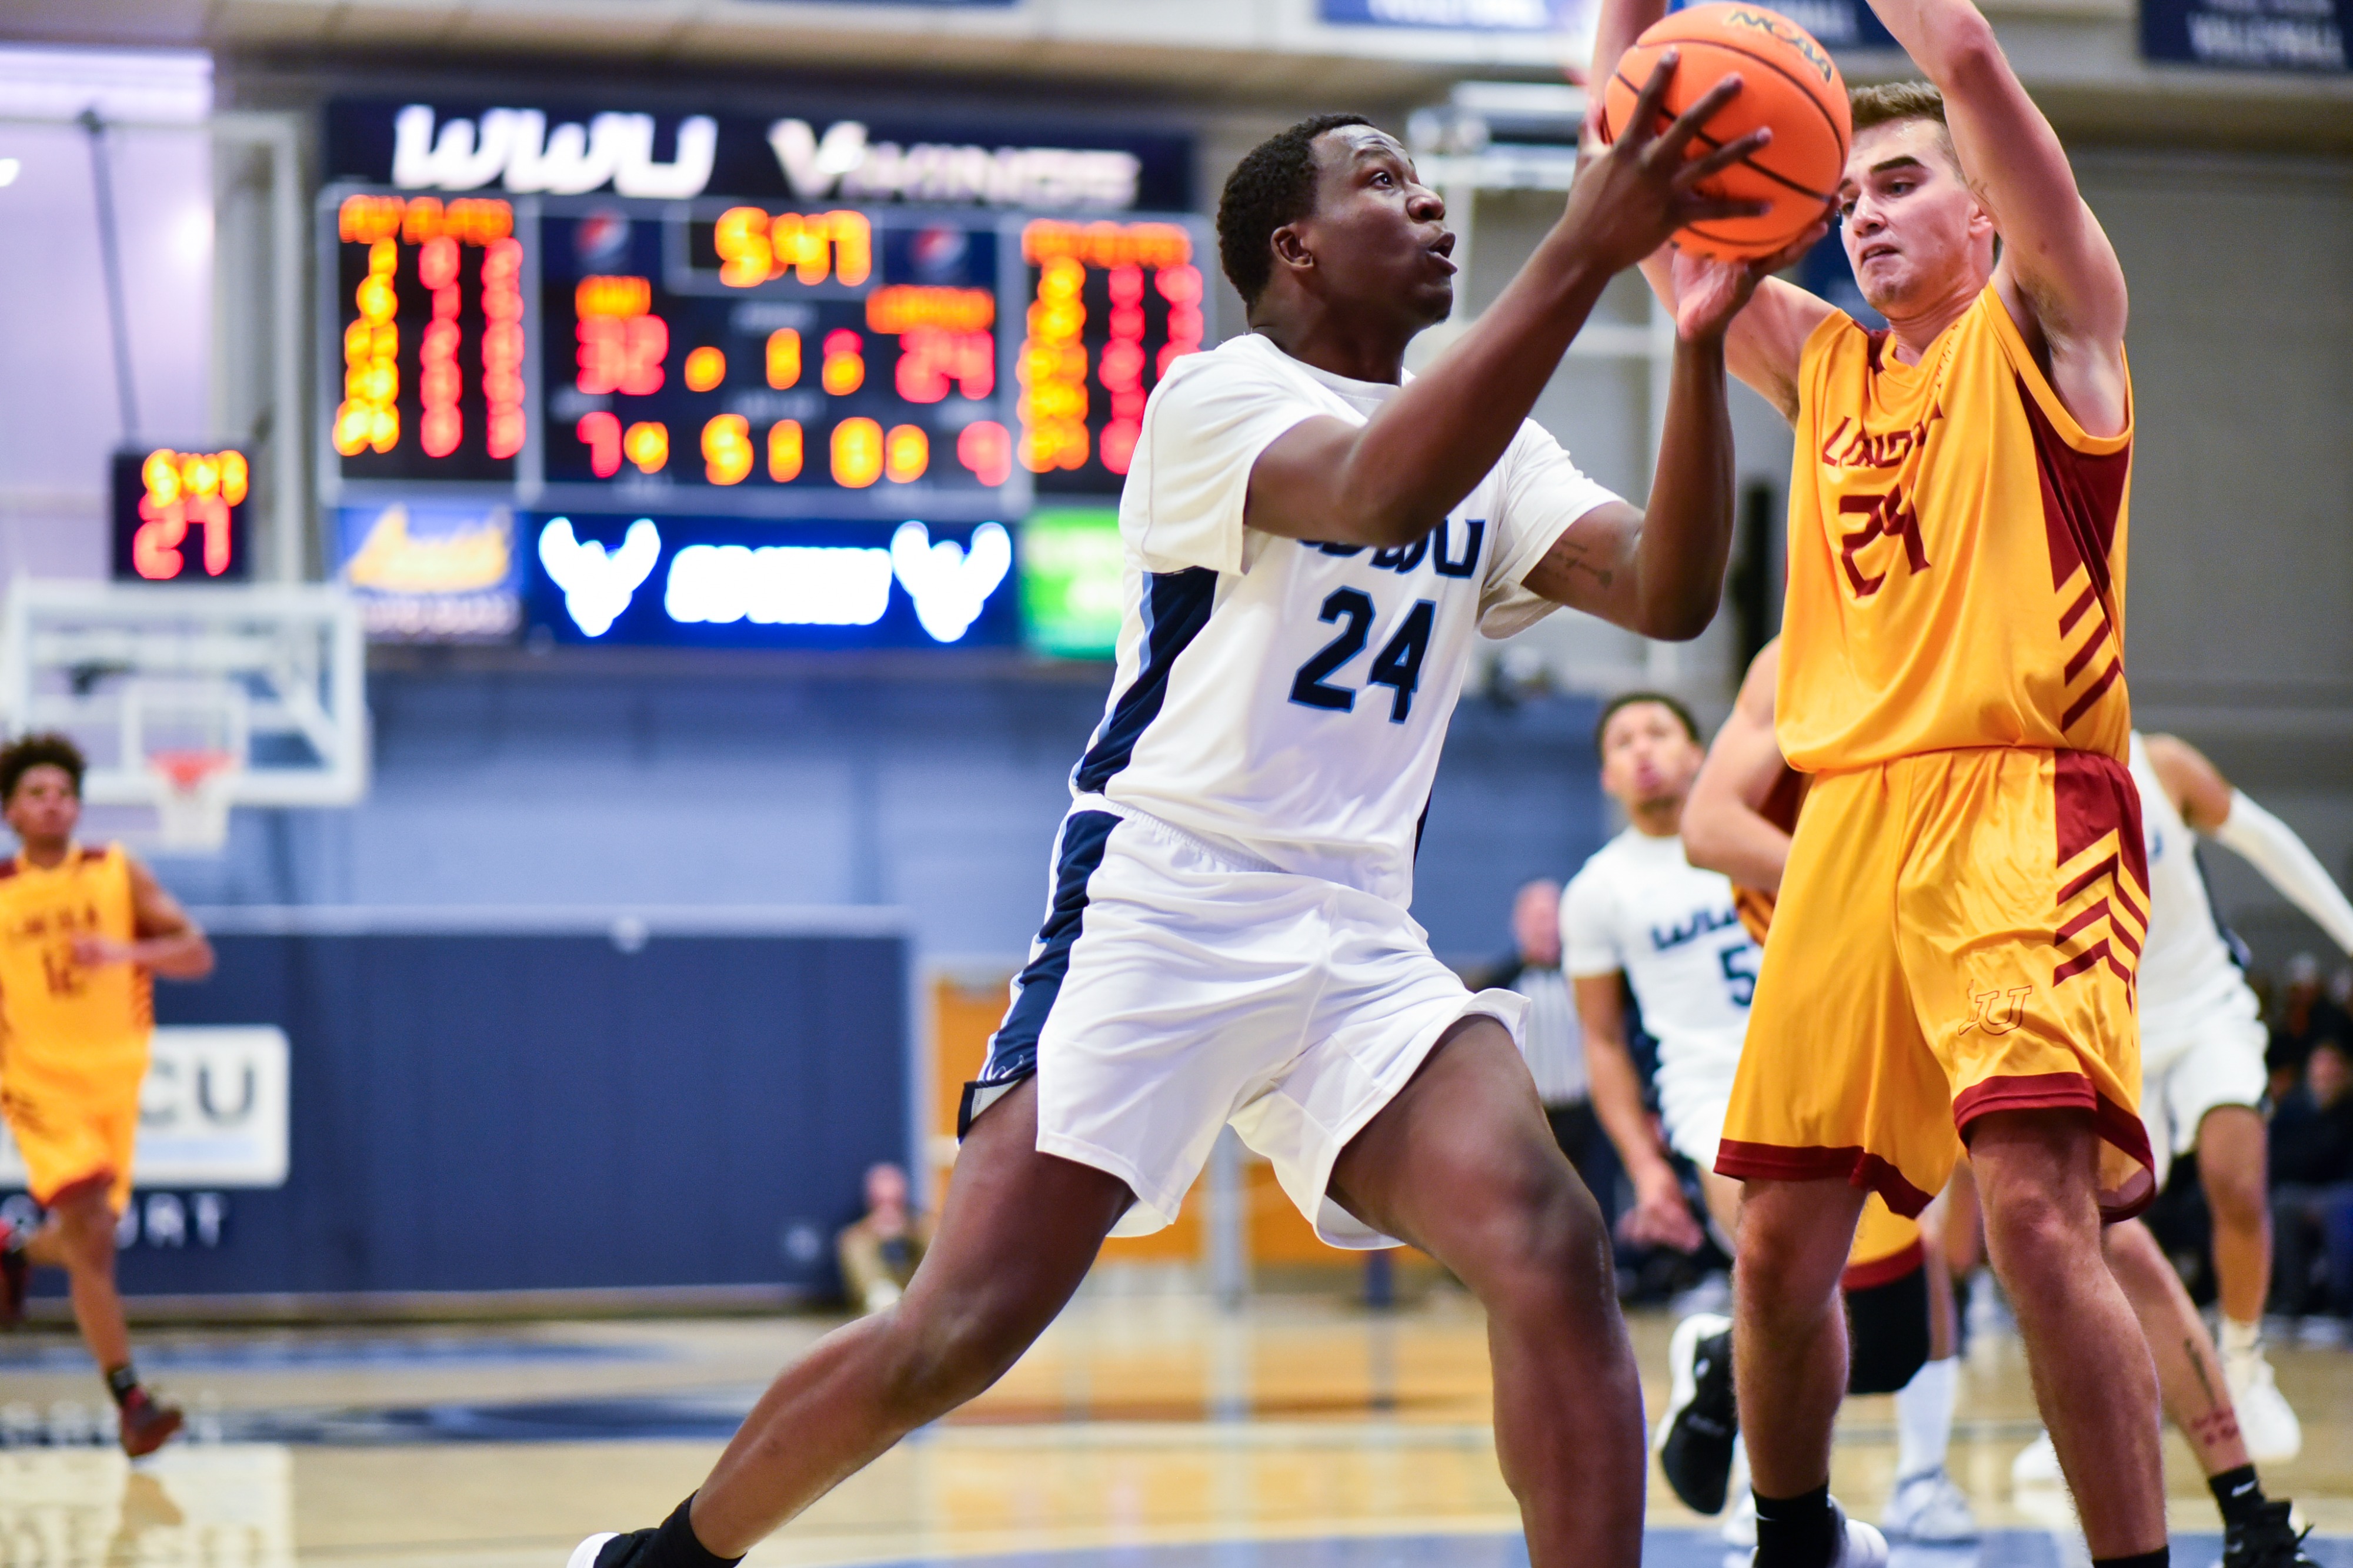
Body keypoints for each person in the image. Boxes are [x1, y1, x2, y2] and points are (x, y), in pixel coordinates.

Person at [569, 81, 1824, 1568]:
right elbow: (1370, 491)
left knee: (1549, 1245)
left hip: (1356, 930)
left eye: (1425, 185)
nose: (1425, 204)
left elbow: (1668, 595)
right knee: (959, 1332)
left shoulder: (1501, 438)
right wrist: (1577, 250)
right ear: (1291, 248)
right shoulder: (1213, 397)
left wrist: (1687, 351)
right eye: (1385, 183)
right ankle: (663, 1560)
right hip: (1163, 900)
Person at [1593, 0, 2175, 1554]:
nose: (1865, 215)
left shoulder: (2056, 327)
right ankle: (1798, 1535)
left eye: (1900, 183)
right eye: (1846, 195)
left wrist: (1941, 73)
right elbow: (1626, 137)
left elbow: (1971, 55)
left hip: (2020, 802)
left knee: (2040, 1216)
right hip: (1849, 826)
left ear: (1986, 206)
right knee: (1778, 1249)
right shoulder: (1825, 367)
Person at [1688, 643, 2317, 1568]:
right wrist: (1861, 887)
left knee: (2083, 1230)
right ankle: (1731, 1387)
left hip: (1986, 932)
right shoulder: (1808, 650)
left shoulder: (2002, 618)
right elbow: (1710, 824)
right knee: (1848, 1308)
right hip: (1853, 969)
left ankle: (2245, 1510)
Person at [1576, 686, 1973, 1546]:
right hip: (1710, 1096)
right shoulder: (1598, 890)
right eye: (1622, 739)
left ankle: (1921, 1474)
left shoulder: (1768, 824)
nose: (1642, 748)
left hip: (1823, 1056)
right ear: (1606, 774)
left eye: (1660, 729)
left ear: (1699, 750)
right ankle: (1777, 1497)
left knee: (1917, 1266)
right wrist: (1646, 1167)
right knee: (1788, 1272)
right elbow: (1603, 1043)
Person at [0, 733, 214, 1457]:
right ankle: (134, 1403)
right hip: (35, 1084)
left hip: (114, 1086)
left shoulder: (119, 874)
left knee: (92, 1243)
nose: (53, 801)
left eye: (63, 791)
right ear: (12, 813)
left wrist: (126, 953)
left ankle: (16, 1245)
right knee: (91, 1219)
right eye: (37, 792)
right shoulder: (2, 894)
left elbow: (195, 951)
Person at [1475, 879, 1617, 1225]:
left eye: (1553, 917)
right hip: (1532, 1119)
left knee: (1596, 1203)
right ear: (1518, 924)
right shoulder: (1498, 983)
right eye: (1536, 918)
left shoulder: (1591, 979)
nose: (1546, 927)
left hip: (1587, 1114)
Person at [2268, 1038, 2353, 1329]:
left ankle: (2342, 1302)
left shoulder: (2347, 1112)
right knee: (2283, 1204)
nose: (2325, 1076)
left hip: (2342, 1191)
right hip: (2302, 1192)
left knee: (2340, 1205)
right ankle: (2293, 1298)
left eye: (2331, 1069)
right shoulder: (2294, 1110)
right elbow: (2280, 1160)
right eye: (2319, 1069)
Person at [836, 1163, 934, 1315]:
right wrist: (873, 1233)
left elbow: (940, 1264)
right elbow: (863, 1286)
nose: (888, 1210)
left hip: (922, 1299)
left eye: (894, 1202)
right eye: (881, 1202)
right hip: (878, 1308)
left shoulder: (923, 1228)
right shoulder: (855, 1238)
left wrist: (909, 1233)